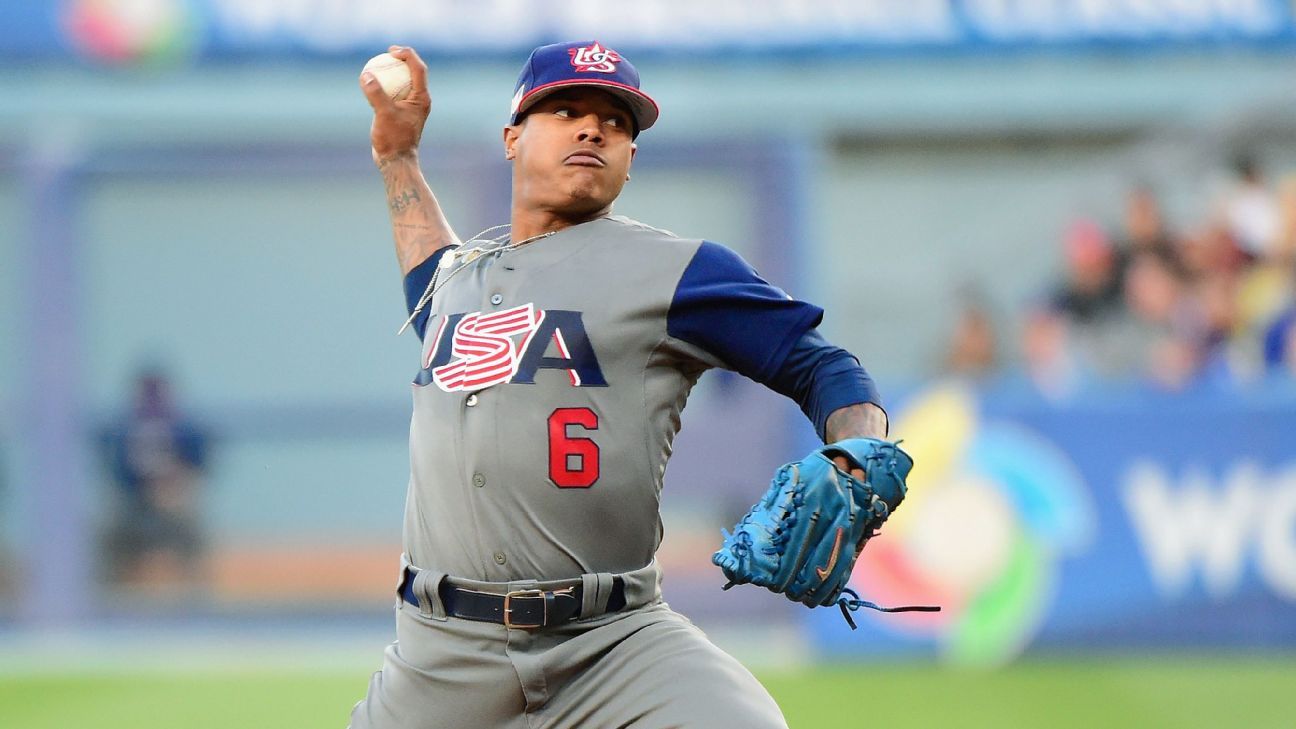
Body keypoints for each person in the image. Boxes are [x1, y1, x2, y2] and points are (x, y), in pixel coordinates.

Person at [351, 41, 889, 729]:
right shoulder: (458, 285)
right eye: (565, 108)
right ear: (512, 138)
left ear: (630, 159)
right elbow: (424, 269)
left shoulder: (676, 270)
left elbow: (824, 366)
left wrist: (853, 455)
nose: (592, 127)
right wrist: (397, 158)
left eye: (615, 120)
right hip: (441, 655)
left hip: (615, 643)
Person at [99, 369, 210, 588]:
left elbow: (199, 467)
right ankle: (109, 600)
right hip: (134, 509)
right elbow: (115, 474)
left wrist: (175, 485)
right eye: (147, 393)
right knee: (107, 535)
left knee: (192, 533)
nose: (152, 400)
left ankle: (197, 600)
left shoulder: (184, 430)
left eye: (157, 393)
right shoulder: (124, 431)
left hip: (172, 507)